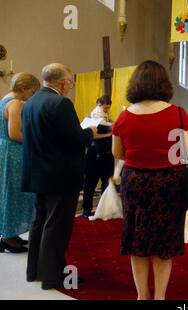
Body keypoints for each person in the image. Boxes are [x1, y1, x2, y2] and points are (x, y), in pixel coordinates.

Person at [112, 60, 188, 300]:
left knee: (137, 239)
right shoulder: (178, 113)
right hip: (169, 182)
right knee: (163, 241)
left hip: (135, 182)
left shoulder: (123, 116)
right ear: (164, 84)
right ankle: (159, 297)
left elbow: (118, 153)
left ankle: (141, 296)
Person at [22, 63, 98, 290]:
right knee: (57, 225)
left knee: (40, 222)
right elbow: (75, 138)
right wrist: (90, 133)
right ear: (63, 83)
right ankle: (52, 276)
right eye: (70, 83)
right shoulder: (61, 103)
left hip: (38, 172)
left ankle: (34, 270)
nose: (70, 87)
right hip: (60, 174)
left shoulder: (31, 101)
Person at [0, 73, 40, 254]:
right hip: (13, 152)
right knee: (15, 193)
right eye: (32, 91)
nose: (32, 95)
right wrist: (36, 142)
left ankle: (10, 233)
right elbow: (15, 134)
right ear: (23, 88)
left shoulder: (4, 99)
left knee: (9, 192)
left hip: (5, 150)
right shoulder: (15, 103)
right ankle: (7, 238)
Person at [82, 96, 114, 218]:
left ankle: (103, 209)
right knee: (90, 184)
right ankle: (86, 210)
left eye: (108, 108)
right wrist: (109, 133)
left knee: (106, 184)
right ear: (99, 104)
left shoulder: (107, 118)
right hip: (93, 156)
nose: (106, 110)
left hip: (106, 155)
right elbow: (91, 136)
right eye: (105, 108)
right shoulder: (90, 119)